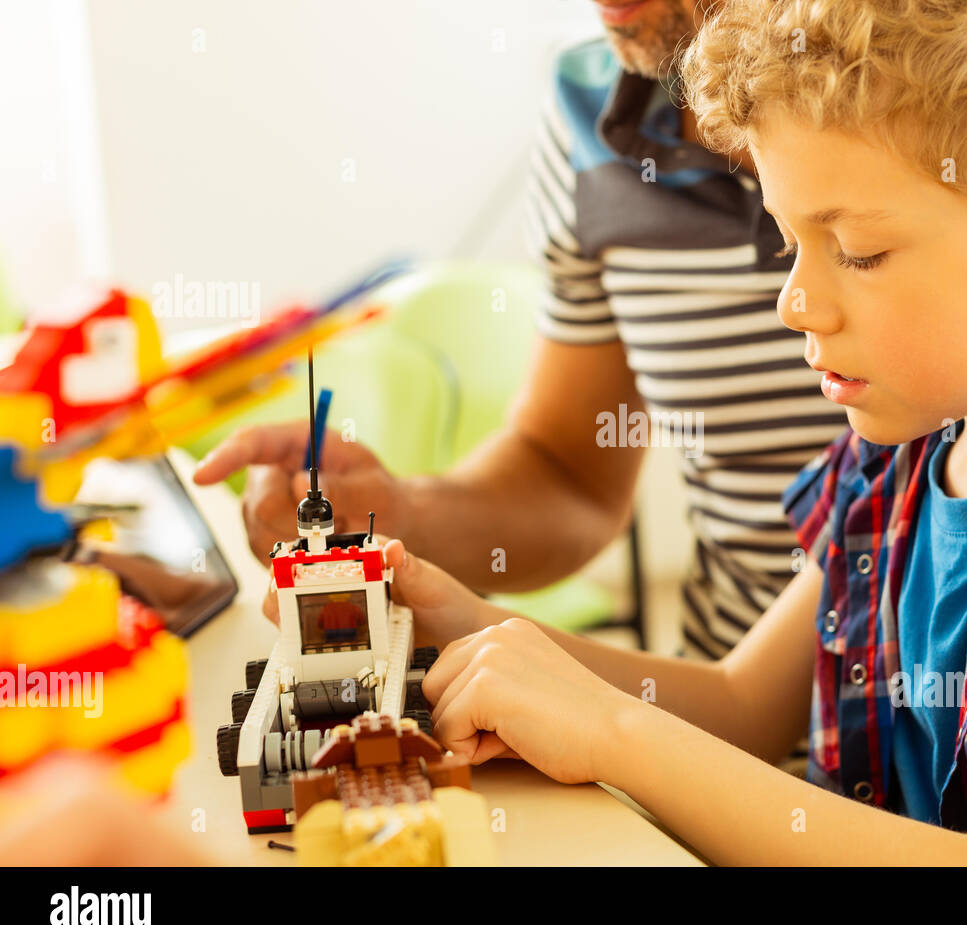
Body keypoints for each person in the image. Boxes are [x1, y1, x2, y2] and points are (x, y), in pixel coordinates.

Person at [371, 0, 967, 864]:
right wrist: (479, 629)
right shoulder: (912, 429)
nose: (796, 301)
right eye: (789, 242)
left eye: (859, 251)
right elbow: (741, 704)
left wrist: (612, 731)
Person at [193, 0, 847, 660]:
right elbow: (567, 472)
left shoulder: (932, 80)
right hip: (724, 706)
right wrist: (401, 514)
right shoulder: (586, 116)